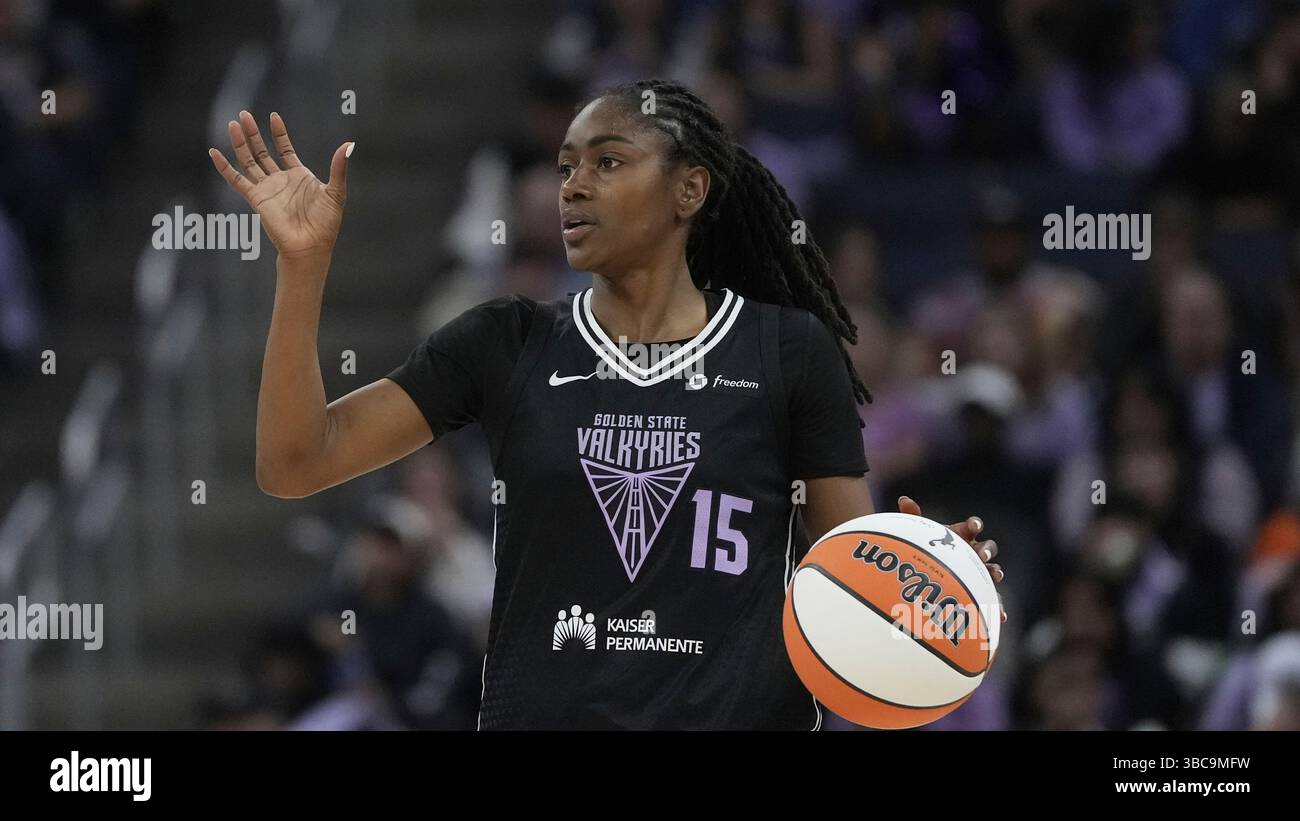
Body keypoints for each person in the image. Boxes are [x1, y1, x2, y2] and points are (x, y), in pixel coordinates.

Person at [208, 78, 1006, 730]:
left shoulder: (789, 352)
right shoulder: (507, 339)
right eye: (564, 167)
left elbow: (847, 584)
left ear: (690, 188)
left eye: (609, 162)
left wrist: (929, 579)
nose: (574, 186)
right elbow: (293, 462)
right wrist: (302, 267)